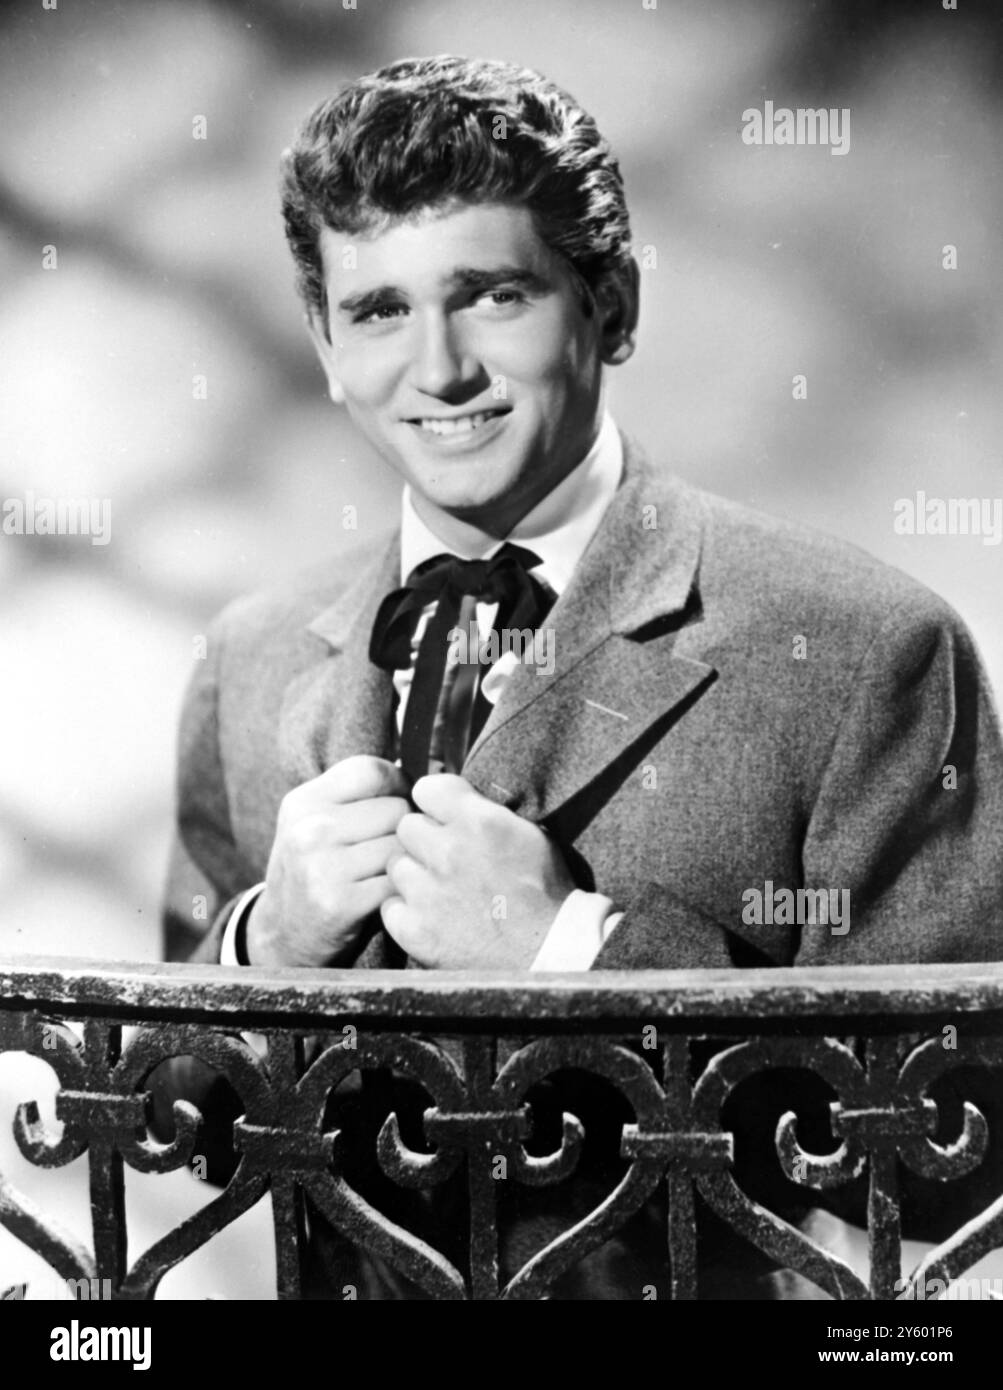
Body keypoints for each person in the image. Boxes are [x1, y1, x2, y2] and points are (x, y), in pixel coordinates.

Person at [158, 55, 1003, 1298]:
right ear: (326, 347)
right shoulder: (250, 654)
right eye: (380, 311)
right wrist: (263, 943)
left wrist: (571, 952)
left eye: (492, 296)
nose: (437, 369)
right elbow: (171, 1130)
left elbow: (952, 1161)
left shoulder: (872, 648)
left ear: (608, 304)